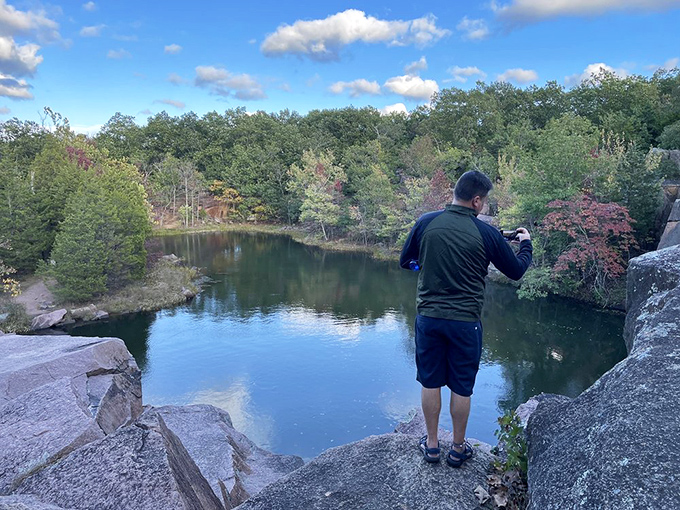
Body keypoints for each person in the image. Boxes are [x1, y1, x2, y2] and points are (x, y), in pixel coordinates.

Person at [399, 170, 532, 468]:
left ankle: (432, 446)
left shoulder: (425, 222)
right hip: (465, 323)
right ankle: (457, 449)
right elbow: (516, 270)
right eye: (483, 201)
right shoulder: (487, 234)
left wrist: (428, 264)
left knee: (430, 382)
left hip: (429, 318)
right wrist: (526, 244)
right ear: (475, 200)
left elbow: (405, 261)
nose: (482, 206)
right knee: (462, 386)